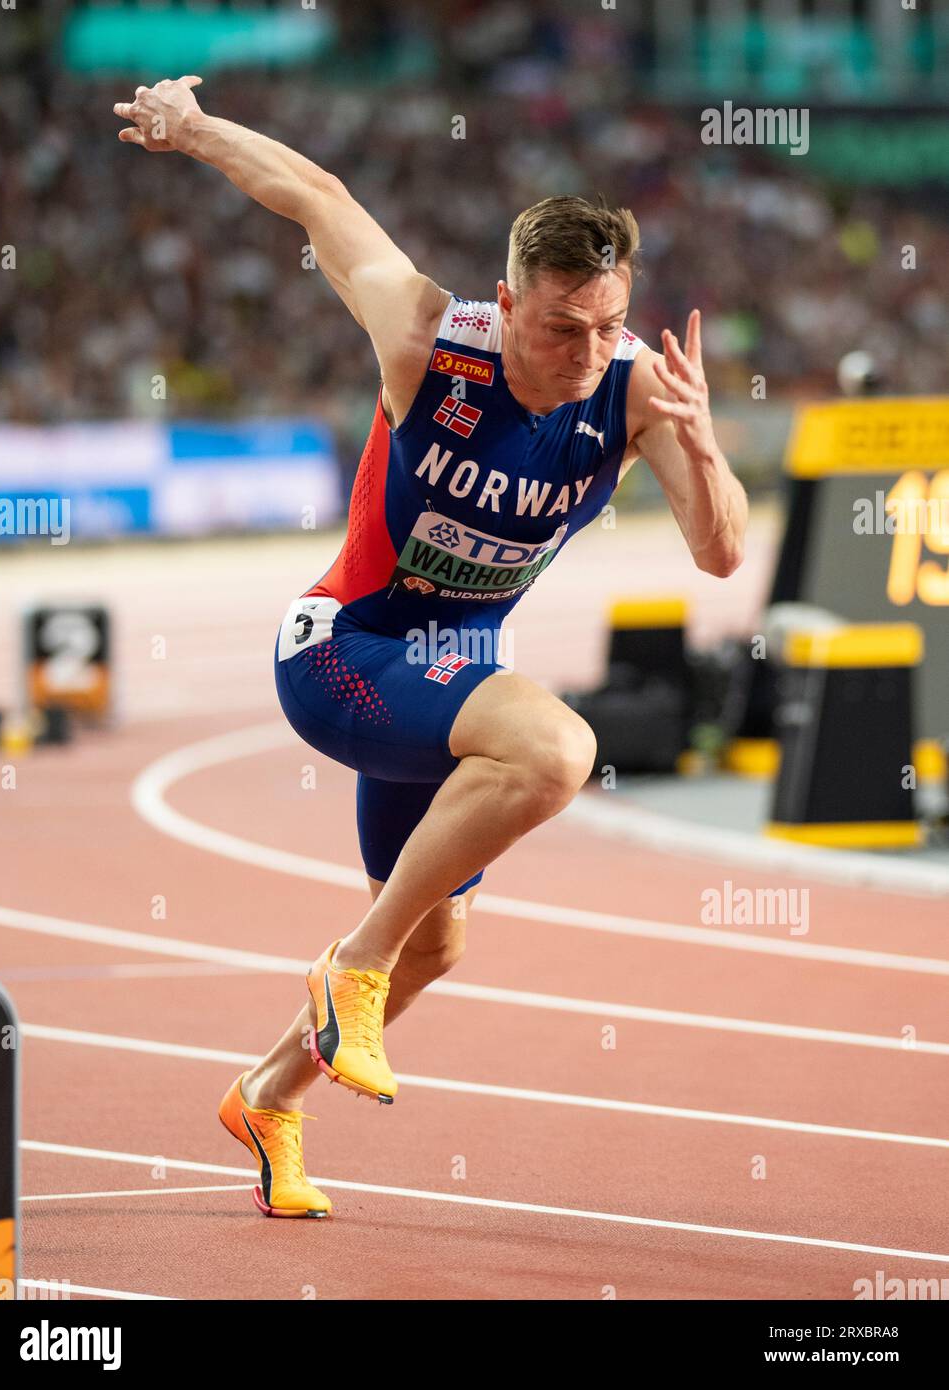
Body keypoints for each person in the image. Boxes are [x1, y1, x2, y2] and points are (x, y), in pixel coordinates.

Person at [114, 76, 748, 1219]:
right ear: (506, 304)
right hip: (343, 653)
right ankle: (347, 964)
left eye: (608, 324)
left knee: (440, 946)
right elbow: (315, 194)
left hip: (443, 687)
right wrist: (194, 128)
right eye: (562, 327)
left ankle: (267, 1094)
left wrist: (700, 445)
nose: (588, 349)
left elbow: (719, 557)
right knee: (555, 750)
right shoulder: (424, 334)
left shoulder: (635, 391)